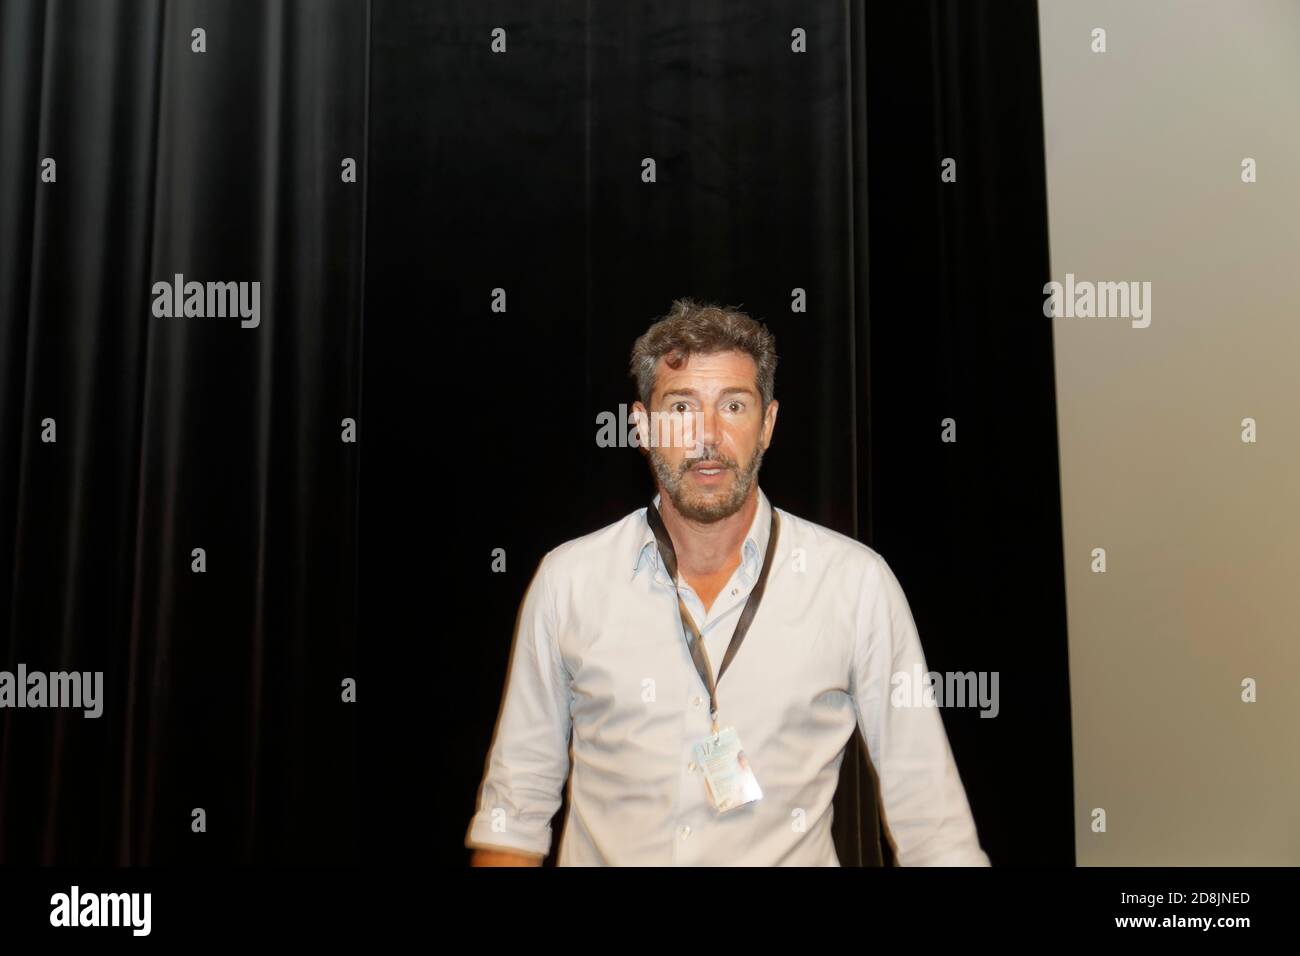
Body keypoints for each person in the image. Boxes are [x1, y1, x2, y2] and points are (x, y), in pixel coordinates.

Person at [466, 298, 991, 866]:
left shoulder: (854, 586)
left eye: (734, 406)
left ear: (767, 425)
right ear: (640, 426)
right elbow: (513, 815)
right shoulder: (568, 583)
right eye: (681, 407)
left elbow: (934, 827)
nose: (708, 436)